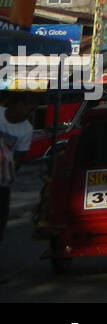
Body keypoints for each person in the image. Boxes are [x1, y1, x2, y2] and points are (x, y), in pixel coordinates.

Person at [0, 92, 36, 281]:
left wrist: (9, 172)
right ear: (15, 105)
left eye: (31, 108)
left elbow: (20, 157)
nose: (27, 111)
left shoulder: (25, 130)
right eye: (25, 106)